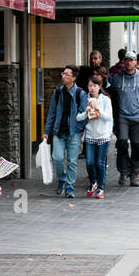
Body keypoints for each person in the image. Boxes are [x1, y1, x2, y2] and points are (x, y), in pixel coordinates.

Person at [42, 66, 88, 198]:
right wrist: (46, 131)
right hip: (59, 132)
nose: (63, 76)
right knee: (58, 158)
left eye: (67, 74)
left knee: (72, 161)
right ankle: (62, 178)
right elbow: (51, 113)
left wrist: (79, 128)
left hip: (73, 133)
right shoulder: (57, 92)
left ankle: (69, 187)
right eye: (63, 73)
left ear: (73, 78)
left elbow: (85, 115)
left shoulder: (80, 93)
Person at [111, 51, 139, 185]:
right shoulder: (117, 77)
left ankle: (134, 174)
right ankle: (123, 172)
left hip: (138, 117)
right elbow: (112, 96)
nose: (128, 62)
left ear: (135, 62)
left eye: (131, 60)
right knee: (122, 144)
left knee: (136, 147)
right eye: (126, 60)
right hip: (123, 117)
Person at [84, 72, 114, 197]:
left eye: (94, 86)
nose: (92, 88)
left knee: (100, 163)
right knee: (89, 162)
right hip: (90, 135)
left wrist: (97, 109)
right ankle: (93, 182)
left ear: (99, 86)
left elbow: (108, 117)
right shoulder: (85, 99)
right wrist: (86, 112)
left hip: (103, 136)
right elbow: (79, 117)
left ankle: (100, 188)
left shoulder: (106, 100)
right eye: (90, 86)